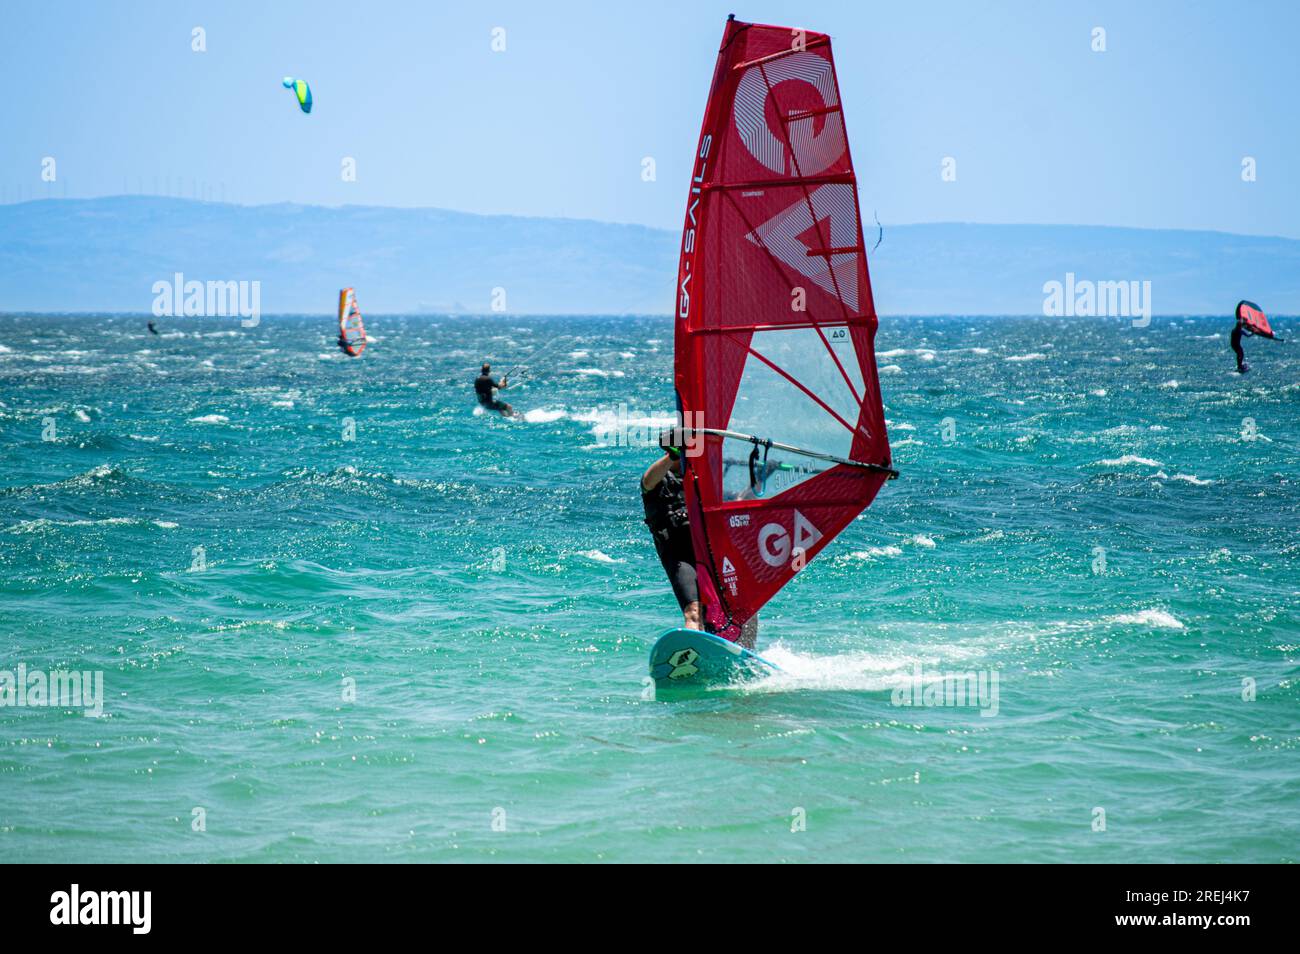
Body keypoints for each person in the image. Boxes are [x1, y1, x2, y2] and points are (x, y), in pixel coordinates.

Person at [641, 433, 702, 632]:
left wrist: (760, 478)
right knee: (693, 610)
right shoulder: (658, 477)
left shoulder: (700, 478)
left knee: (740, 609)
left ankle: (744, 652)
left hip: (707, 550)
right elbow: (648, 482)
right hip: (678, 554)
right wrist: (673, 456)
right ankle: (692, 650)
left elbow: (734, 502)